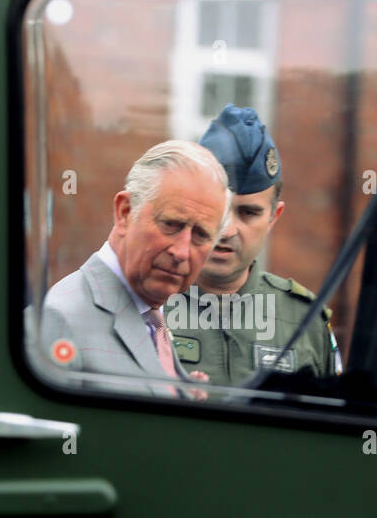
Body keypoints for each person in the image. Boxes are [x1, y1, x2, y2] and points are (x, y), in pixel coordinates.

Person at [31, 140, 229, 398]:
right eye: (171, 224)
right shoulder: (57, 320)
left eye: (201, 235)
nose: (182, 251)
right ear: (125, 212)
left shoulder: (151, 313)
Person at [165, 104, 341, 386]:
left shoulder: (305, 320)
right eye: (218, 210)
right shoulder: (147, 305)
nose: (227, 230)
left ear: (273, 217)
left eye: (248, 213)